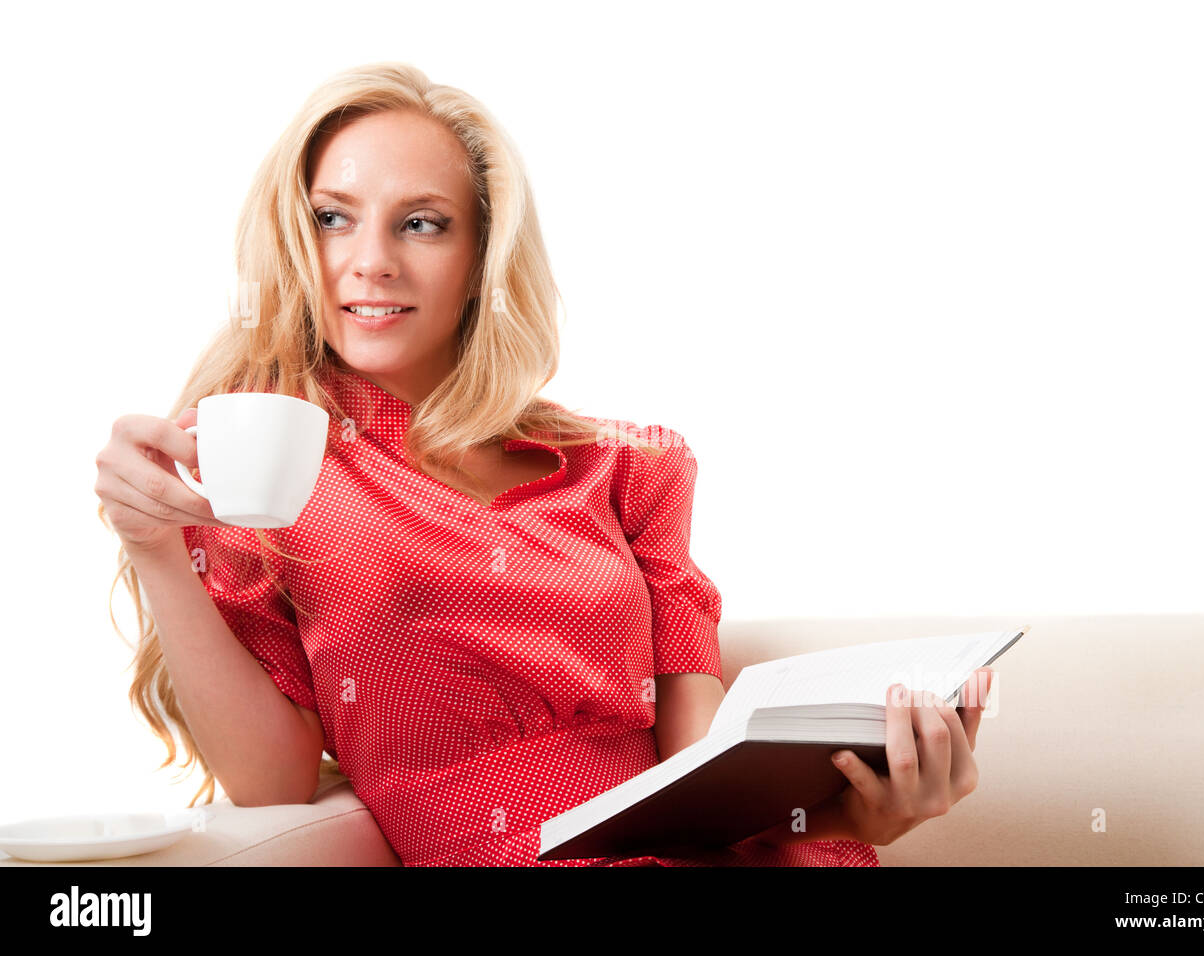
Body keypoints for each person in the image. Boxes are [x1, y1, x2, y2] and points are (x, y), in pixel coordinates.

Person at [93, 62, 992, 866]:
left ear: (481, 256)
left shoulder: (630, 468)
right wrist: (155, 548)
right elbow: (270, 786)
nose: (370, 262)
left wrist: (845, 815)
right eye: (333, 219)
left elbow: (695, 764)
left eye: (422, 223)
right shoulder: (262, 463)